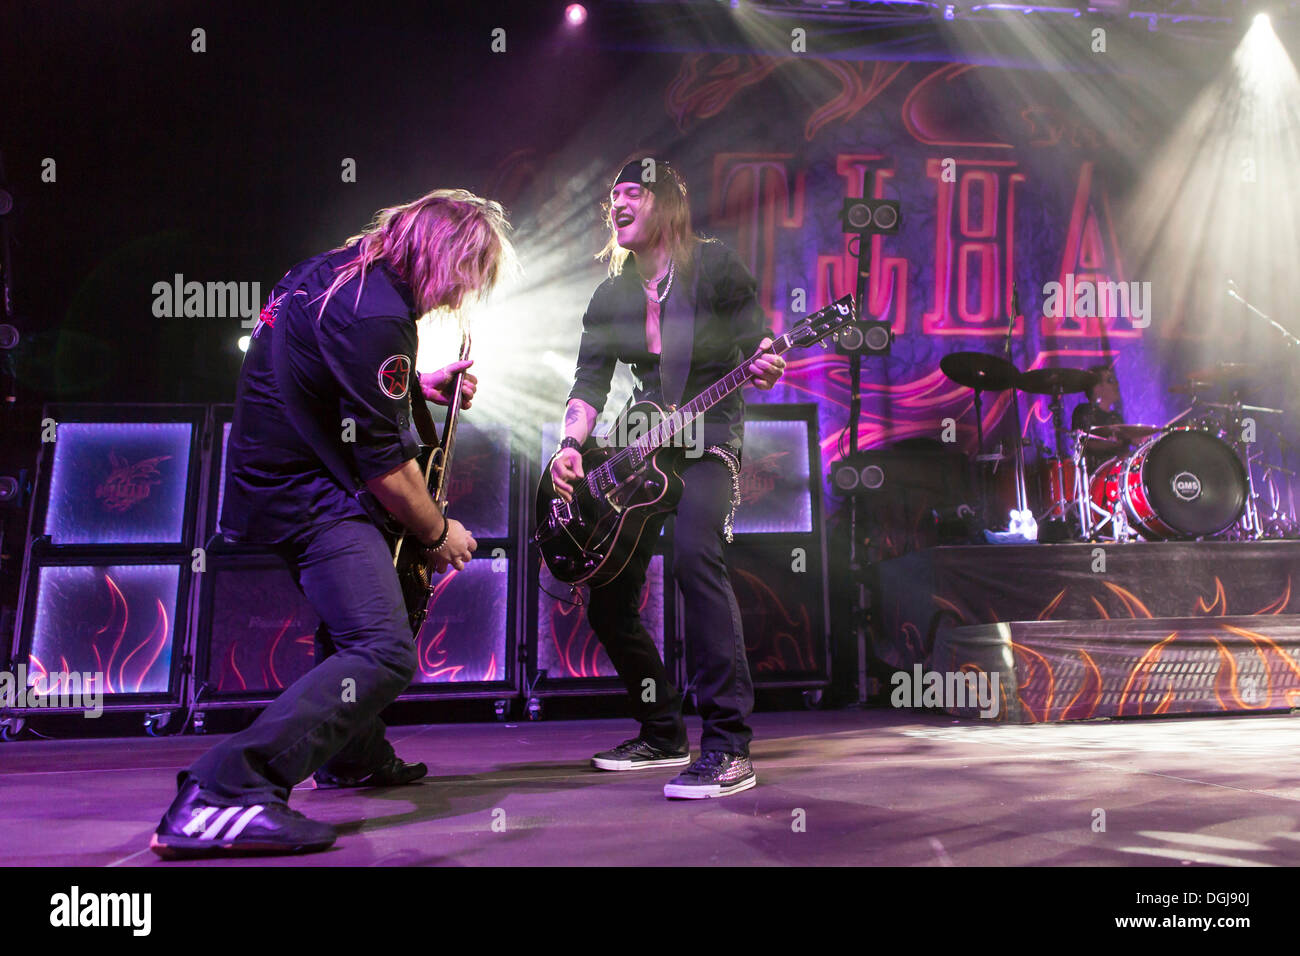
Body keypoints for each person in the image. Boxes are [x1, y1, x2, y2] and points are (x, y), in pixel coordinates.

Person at [151, 189, 515, 857]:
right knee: (382, 648)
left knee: (355, 626)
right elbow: (389, 472)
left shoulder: (329, 272)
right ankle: (224, 791)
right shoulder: (379, 315)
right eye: (468, 275)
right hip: (308, 495)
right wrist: (440, 536)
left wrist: (415, 384)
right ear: (445, 255)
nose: (462, 295)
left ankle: (351, 754)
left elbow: (320, 376)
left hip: (281, 481)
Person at [549, 158, 784, 799]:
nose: (618, 203)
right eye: (613, 195)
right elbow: (590, 381)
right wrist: (570, 444)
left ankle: (728, 746)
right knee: (605, 595)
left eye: (634, 193)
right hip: (639, 447)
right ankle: (661, 730)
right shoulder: (612, 294)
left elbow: (758, 341)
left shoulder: (715, 267)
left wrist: (766, 360)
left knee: (693, 560)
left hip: (709, 443)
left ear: (667, 203)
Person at [1071, 363, 1126, 469]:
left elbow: (1125, 449)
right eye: (1110, 381)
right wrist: (1109, 444)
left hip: (1118, 474)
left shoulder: (1116, 417)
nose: (1117, 385)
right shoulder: (1084, 411)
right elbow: (1084, 443)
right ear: (1097, 388)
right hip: (1094, 478)